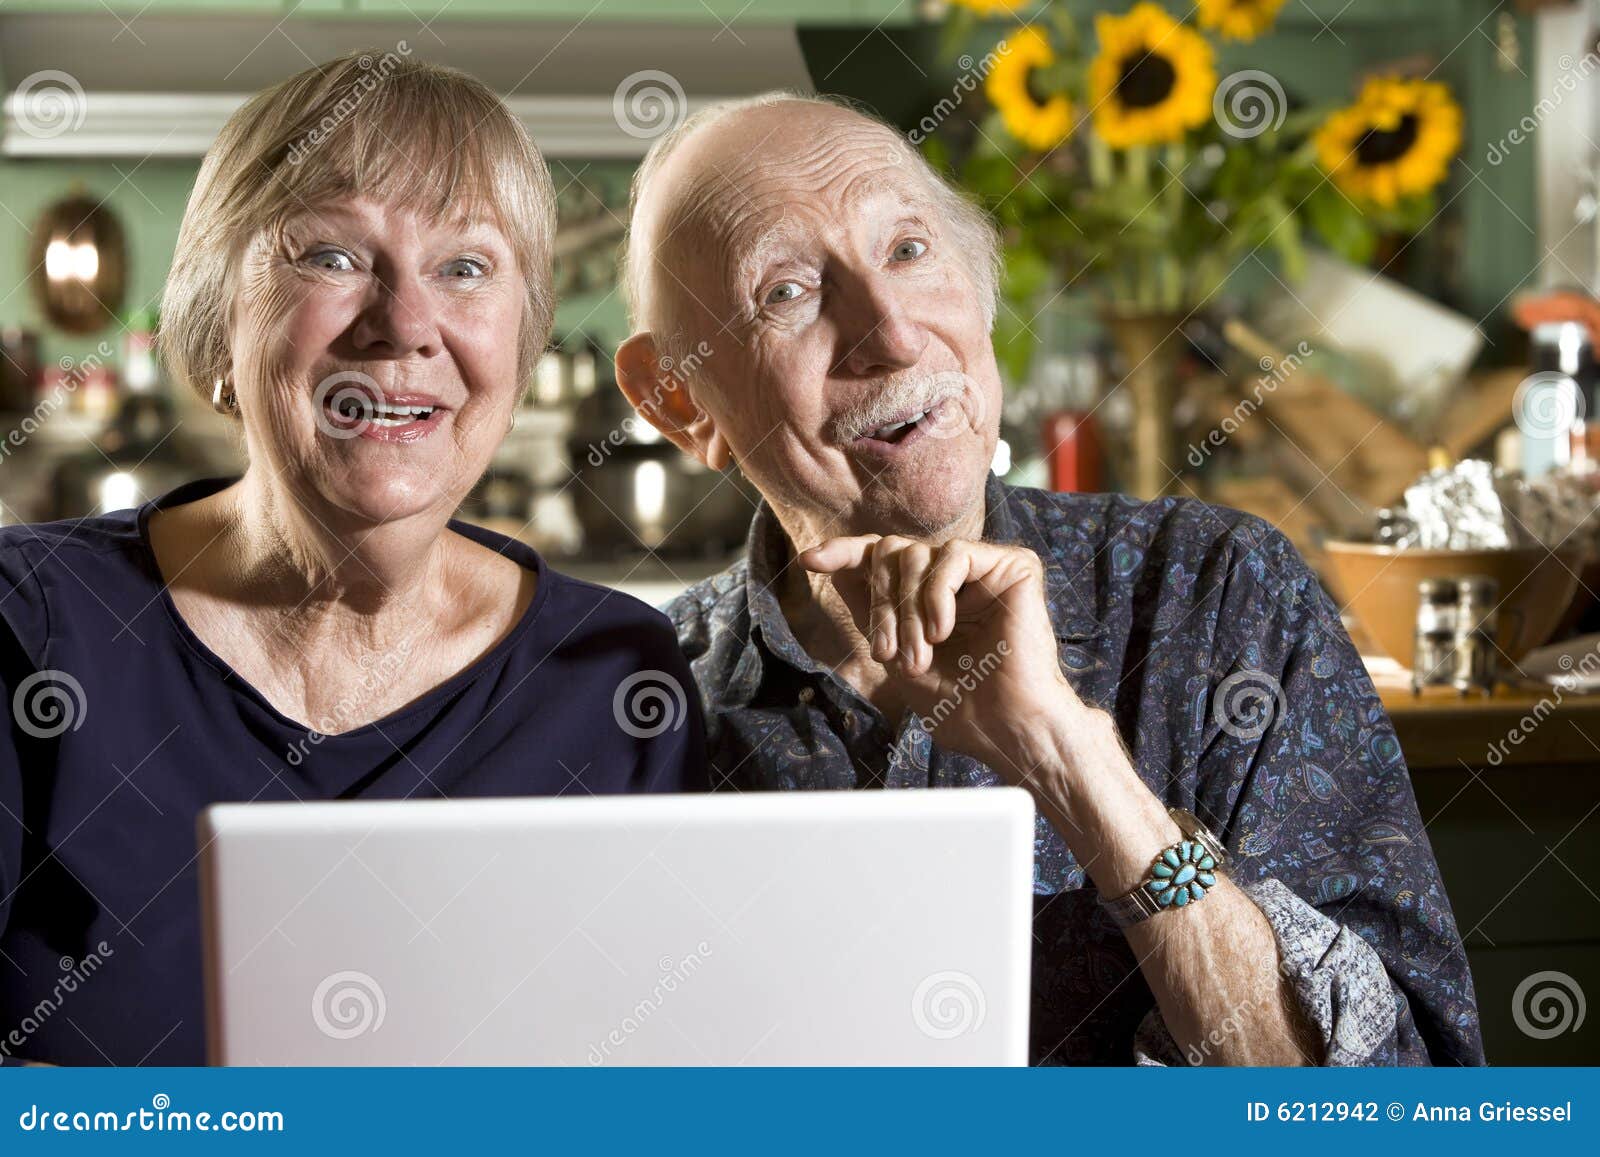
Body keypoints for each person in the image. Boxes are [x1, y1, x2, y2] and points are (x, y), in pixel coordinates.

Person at [613, 92, 1484, 1066]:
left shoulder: (1221, 596)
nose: (894, 335)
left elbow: (1392, 1109)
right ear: (678, 400)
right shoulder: (634, 706)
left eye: (906, 250)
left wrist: (1077, 765)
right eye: (787, 292)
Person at [0, 50, 705, 1067]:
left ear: (522, 336)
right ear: (217, 312)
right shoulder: (31, 625)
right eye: (331, 255)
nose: (405, 325)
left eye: (464, 267)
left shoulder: (613, 675)